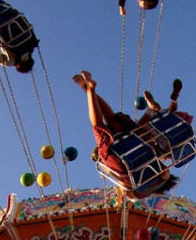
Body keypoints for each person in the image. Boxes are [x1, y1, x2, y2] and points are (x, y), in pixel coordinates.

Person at [73, 70, 181, 198]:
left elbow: (159, 164)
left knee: (112, 118)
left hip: (132, 141)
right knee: (99, 126)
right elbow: (116, 176)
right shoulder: (139, 192)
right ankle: (90, 90)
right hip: (120, 156)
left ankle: (89, 90)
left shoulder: (162, 174)